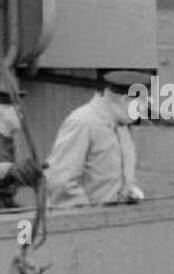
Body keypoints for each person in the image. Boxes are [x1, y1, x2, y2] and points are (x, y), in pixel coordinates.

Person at [45, 72, 148, 208]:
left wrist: (128, 191)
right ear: (124, 100)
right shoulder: (82, 122)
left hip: (113, 218)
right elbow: (61, 181)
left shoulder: (121, 126)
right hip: (83, 221)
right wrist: (88, 214)